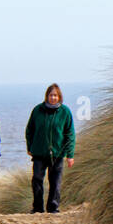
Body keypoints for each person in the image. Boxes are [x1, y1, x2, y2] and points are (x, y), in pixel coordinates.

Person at [25, 83, 75, 214]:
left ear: (59, 97)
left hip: (58, 154)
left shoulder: (65, 112)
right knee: (37, 179)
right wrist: (30, 147)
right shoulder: (37, 110)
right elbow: (29, 130)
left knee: (55, 183)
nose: (53, 98)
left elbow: (70, 134)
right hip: (39, 153)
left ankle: (53, 208)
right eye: (51, 95)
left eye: (55, 95)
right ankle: (37, 208)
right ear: (46, 96)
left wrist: (70, 155)